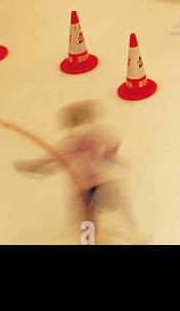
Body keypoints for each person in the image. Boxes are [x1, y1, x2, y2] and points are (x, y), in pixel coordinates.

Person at [14, 100, 145, 243]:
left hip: (84, 188)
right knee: (121, 207)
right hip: (103, 182)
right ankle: (136, 233)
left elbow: (49, 161)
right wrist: (113, 157)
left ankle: (90, 240)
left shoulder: (67, 142)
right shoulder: (100, 132)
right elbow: (114, 143)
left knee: (87, 220)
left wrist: (31, 167)